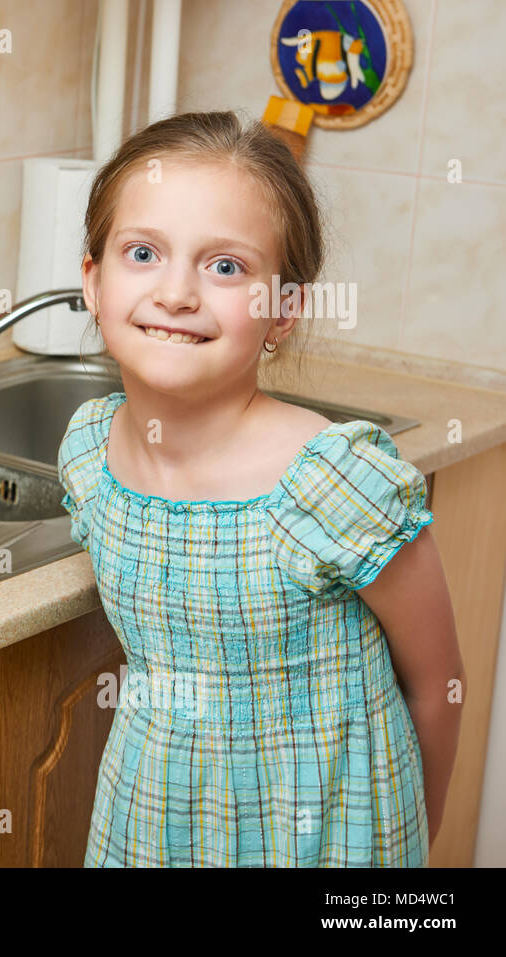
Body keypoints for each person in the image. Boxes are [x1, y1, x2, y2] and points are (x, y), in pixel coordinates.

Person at [58, 110, 464, 867]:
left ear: (283, 310)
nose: (176, 293)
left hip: (327, 841)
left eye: (226, 267)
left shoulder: (332, 479)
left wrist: (407, 847)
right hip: (149, 822)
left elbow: (438, 682)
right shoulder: (88, 452)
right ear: (93, 280)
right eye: (142, 252)